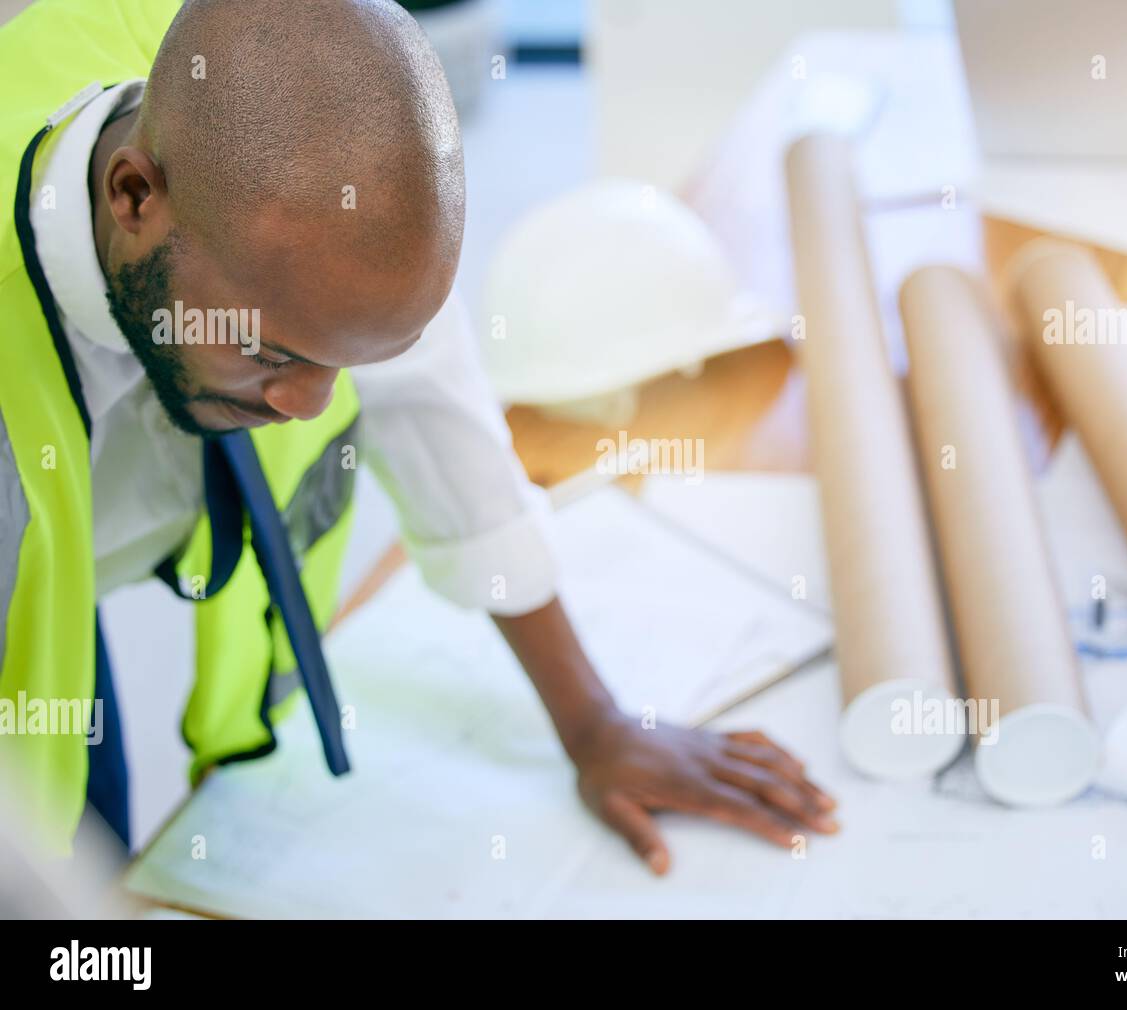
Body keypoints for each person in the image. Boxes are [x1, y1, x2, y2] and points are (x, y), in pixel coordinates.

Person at [0, 0, 836, 875]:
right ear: (132, 197)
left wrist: (594, 724)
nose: (310, 406)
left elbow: (439, 415)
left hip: (53, 595)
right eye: (267, 352)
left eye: (349, 358)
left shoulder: (288, 190)